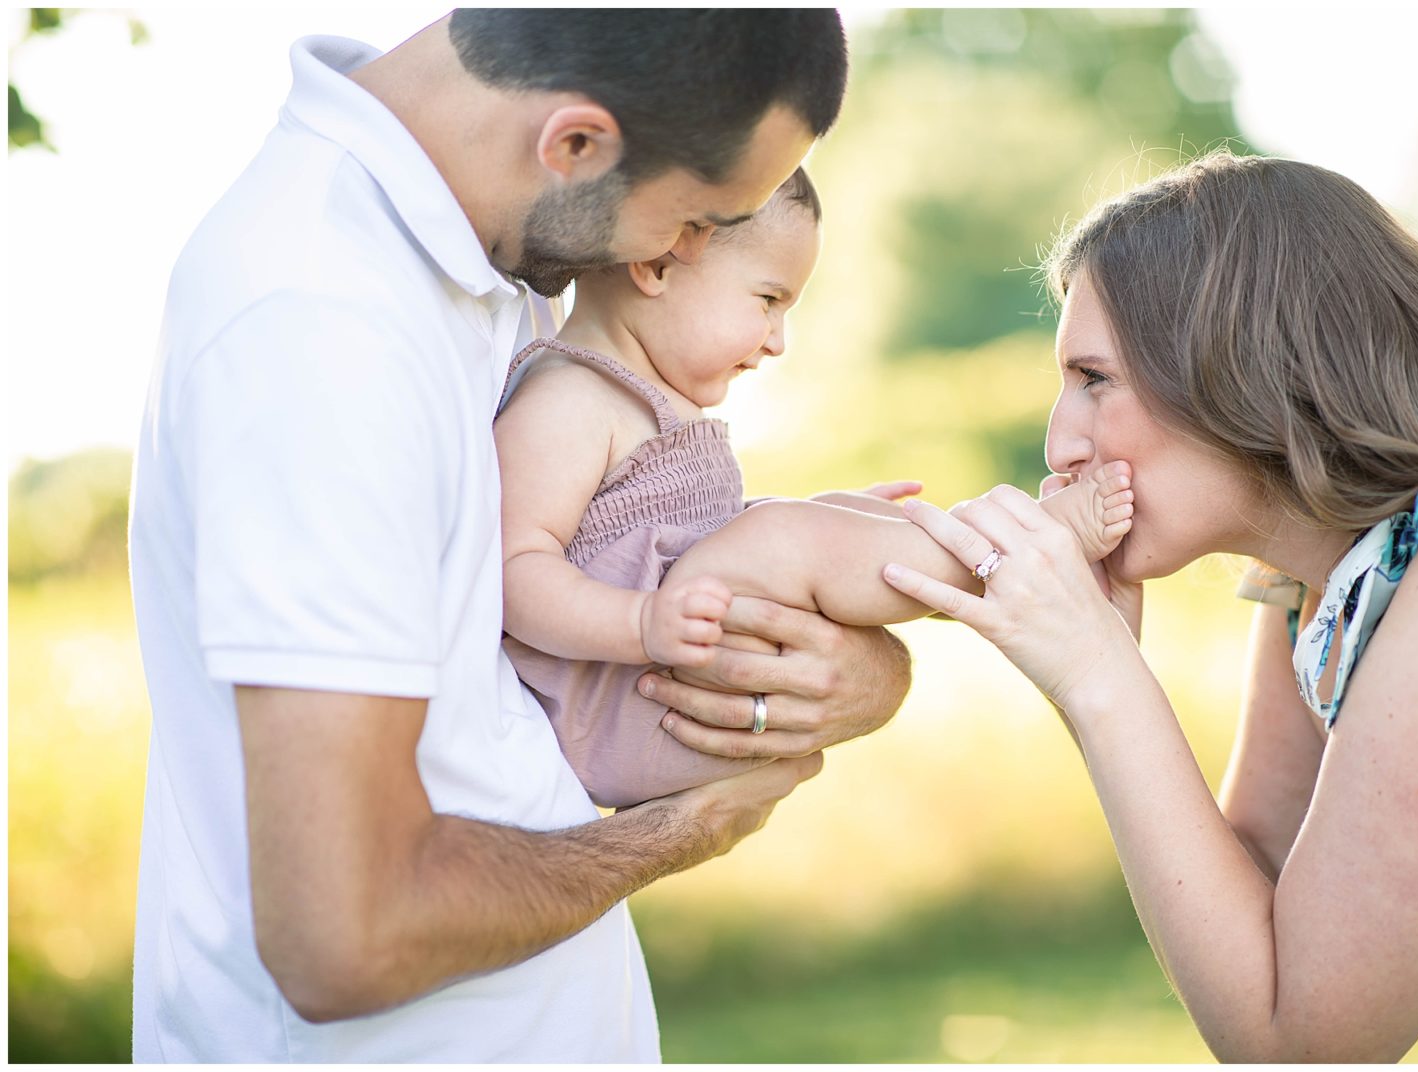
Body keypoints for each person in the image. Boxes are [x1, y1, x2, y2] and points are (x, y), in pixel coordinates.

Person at [127, 10, 914, 1062]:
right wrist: (671, 834)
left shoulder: (497, 256)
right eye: (692, 219)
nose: (682, 258)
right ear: (576, 144)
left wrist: (857, 676)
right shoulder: (318, 321)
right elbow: (341, 939)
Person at [883, 151, 1418, 1062]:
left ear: (1238, 363)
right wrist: (1094, 675)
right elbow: (1255, 886)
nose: (1061, 443)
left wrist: (1101, 678)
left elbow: (1300, 1044)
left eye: (1095, 378)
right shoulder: (1318, 585)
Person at [494, 166, 1134, 807]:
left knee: (801, 520)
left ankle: (961, 562)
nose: (778, 341)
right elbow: (513, 569)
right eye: (769, 301)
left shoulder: (641, 397)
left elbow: (656, 543)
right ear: (658, 263)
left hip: (665, 677)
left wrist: (840, 525)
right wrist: (639, 622)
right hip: (617, 701)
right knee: (781, 535)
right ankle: (1016, 553)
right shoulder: (569, 397)